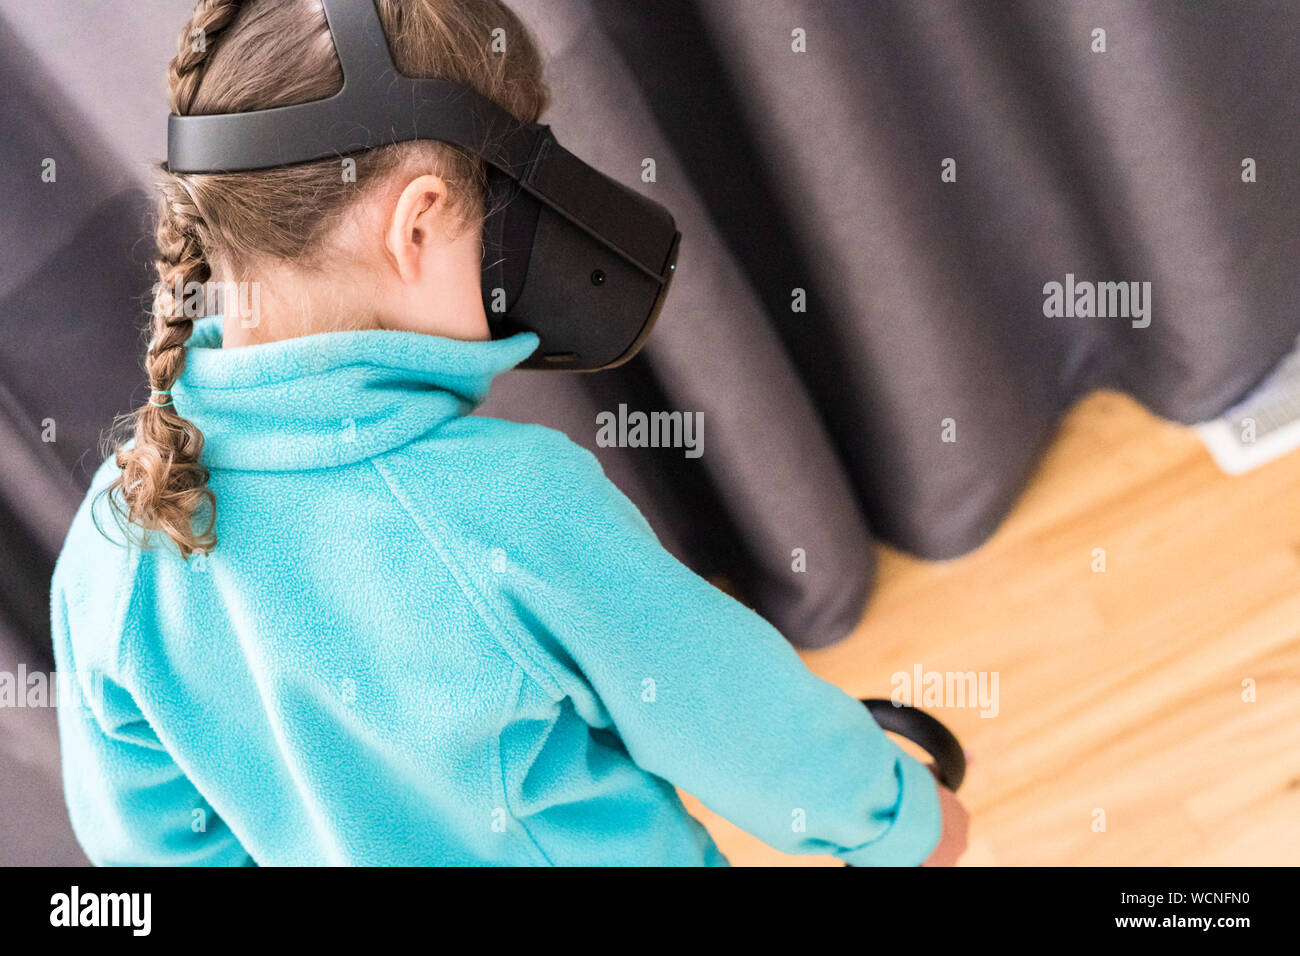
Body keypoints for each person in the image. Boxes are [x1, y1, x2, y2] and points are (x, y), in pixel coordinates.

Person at [51, 0, 966, 866]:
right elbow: (738, 719)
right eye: (497, 230)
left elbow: (153, 854)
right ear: (417, 227)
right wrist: (901, 819)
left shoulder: (109, 550)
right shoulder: (511, 505)